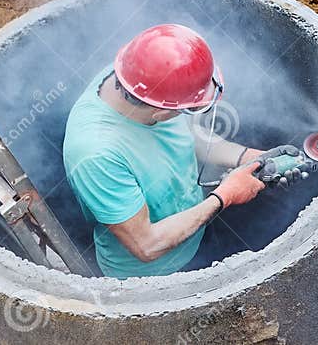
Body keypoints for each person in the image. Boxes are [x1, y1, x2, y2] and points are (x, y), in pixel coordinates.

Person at [62, 23, 299, 279]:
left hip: (195, 232)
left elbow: (185, 134)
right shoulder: (96, 155)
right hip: (153, 277)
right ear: (160, 113)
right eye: (187, 108)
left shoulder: (138, 76)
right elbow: (146, 245)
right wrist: (224, 197)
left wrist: (246, 157)